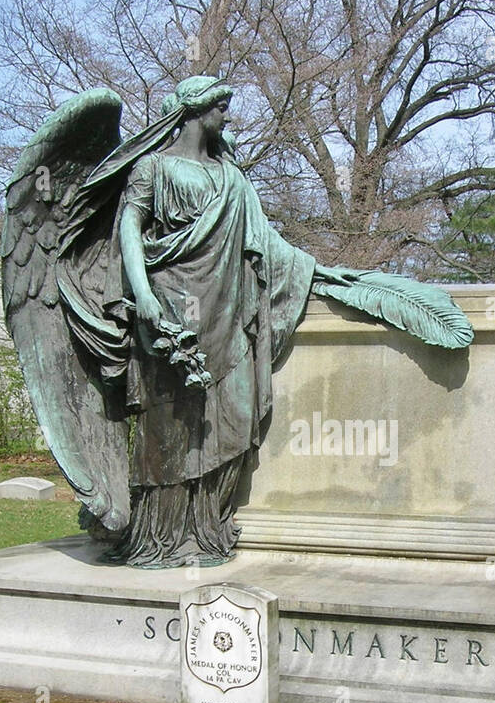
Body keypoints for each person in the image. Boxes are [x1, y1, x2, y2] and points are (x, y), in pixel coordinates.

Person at [58, 75, 317, 568]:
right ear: (198, 110)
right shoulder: (152, 166)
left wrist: (324, 275)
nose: (228, 116)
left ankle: (207, 527)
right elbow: (128, 231)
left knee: (231, 414)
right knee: (169, 425)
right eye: (222, 106)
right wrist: (143, 295)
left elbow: (268, 248)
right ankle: (161, 534)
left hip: (225, 310)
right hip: (169, 305)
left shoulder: (233, 179)